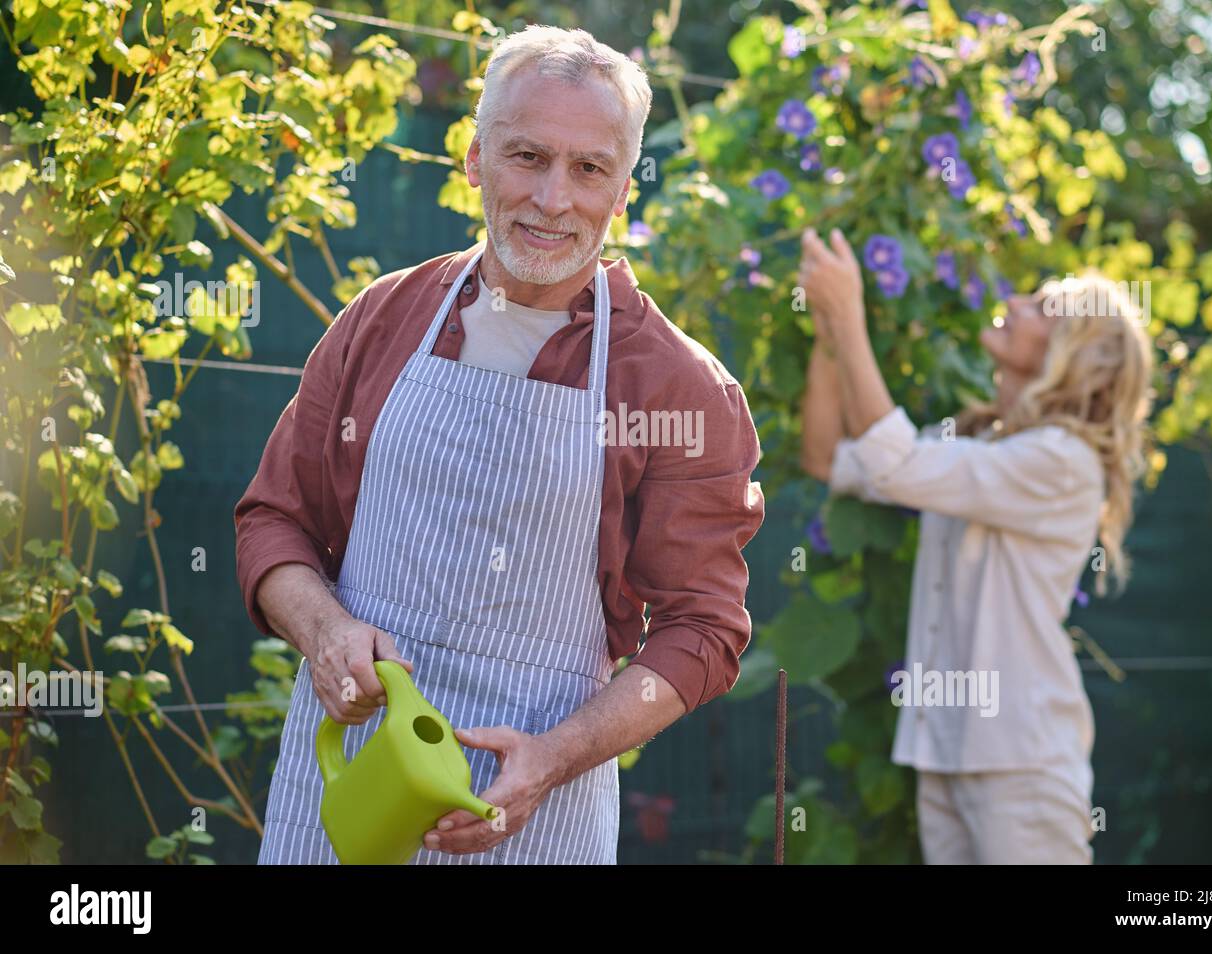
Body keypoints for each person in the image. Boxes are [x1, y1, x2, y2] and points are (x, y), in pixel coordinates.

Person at [234, 25, 765, 865]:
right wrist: (327, 632)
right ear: (477, 160)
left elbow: (702, 630)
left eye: (588, 168)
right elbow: (273, 523)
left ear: (623, 187)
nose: (554, 198)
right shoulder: (385, 319)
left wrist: (552, 759)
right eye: (526, 156)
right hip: (343, 788)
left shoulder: (676, 387)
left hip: (536, 819)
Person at [798, 227, 1152, 864]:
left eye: (1045, 308)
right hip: (950, 751)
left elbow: (895, 463)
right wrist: (829, 333)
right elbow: (827, 458)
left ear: (1075, 355)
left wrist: (851, 315)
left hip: (1021, 763)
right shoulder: (989, 452)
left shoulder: (1061, 462)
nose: (1015, 302)